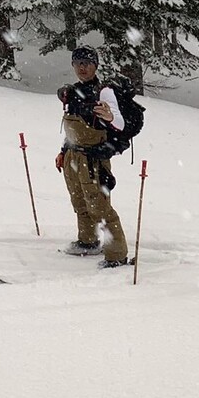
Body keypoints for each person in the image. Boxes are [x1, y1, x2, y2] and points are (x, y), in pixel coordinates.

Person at [54, 46, 130, 268]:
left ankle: (117, 254)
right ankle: (87, 242)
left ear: (96, 65)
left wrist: (106, 149)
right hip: (73, 157)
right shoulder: (72, 92)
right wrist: (63, 151)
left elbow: (119, 128)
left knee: (100, 207)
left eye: (87, 63)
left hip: (93, 160)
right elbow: (72, 129)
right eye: (78, 63)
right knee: (79, 202)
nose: (82, 68)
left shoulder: (104, 92)